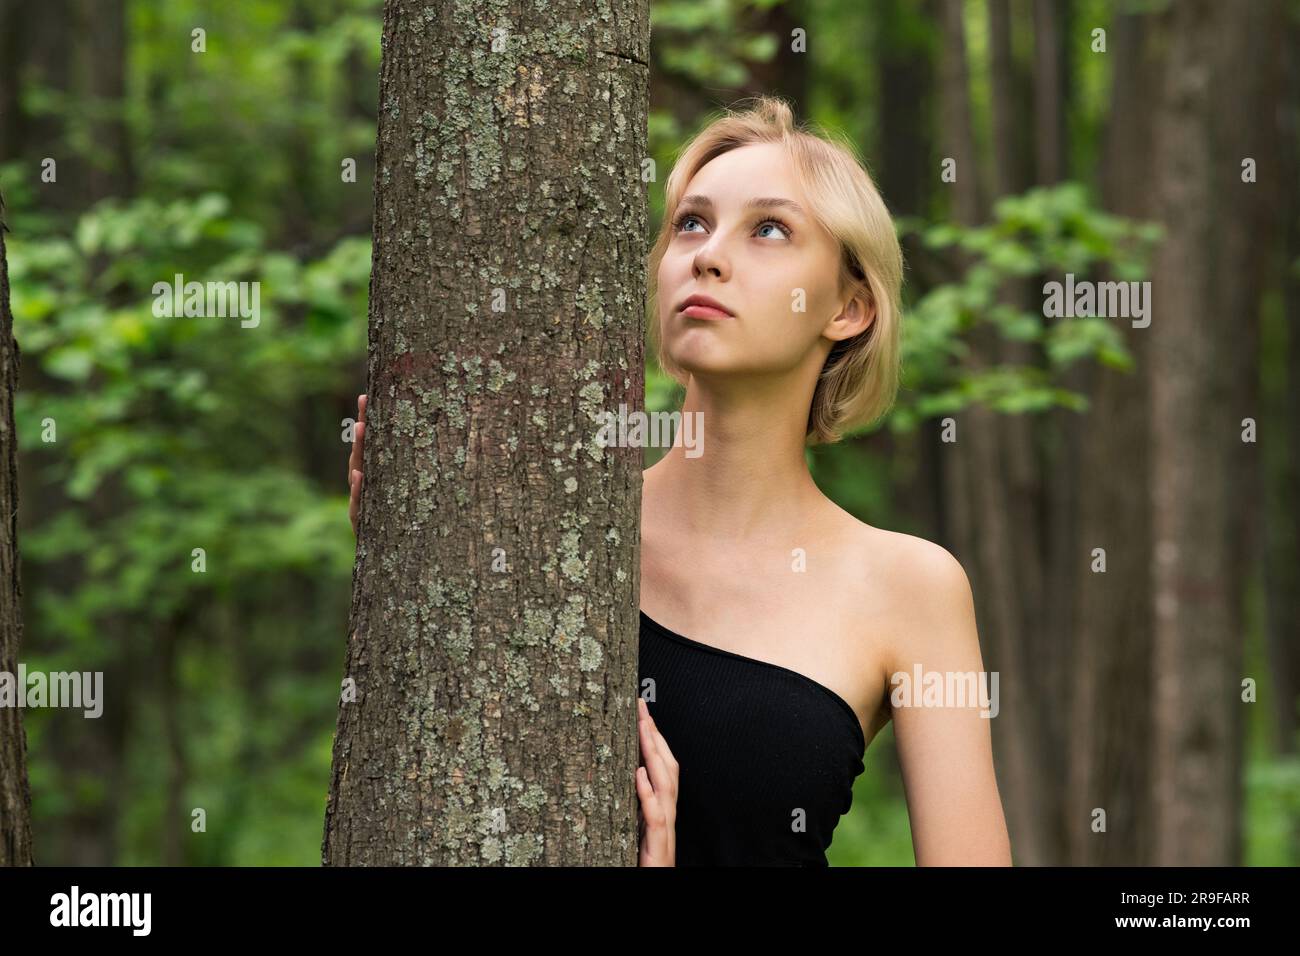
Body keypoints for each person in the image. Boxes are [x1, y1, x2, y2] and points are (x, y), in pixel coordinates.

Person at [347, 96, 1012, 867]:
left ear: (849, 307)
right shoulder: (543, 531)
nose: (708, 255)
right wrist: (405, 575)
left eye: (770, 229)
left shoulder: (911, 587)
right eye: (691, 224)